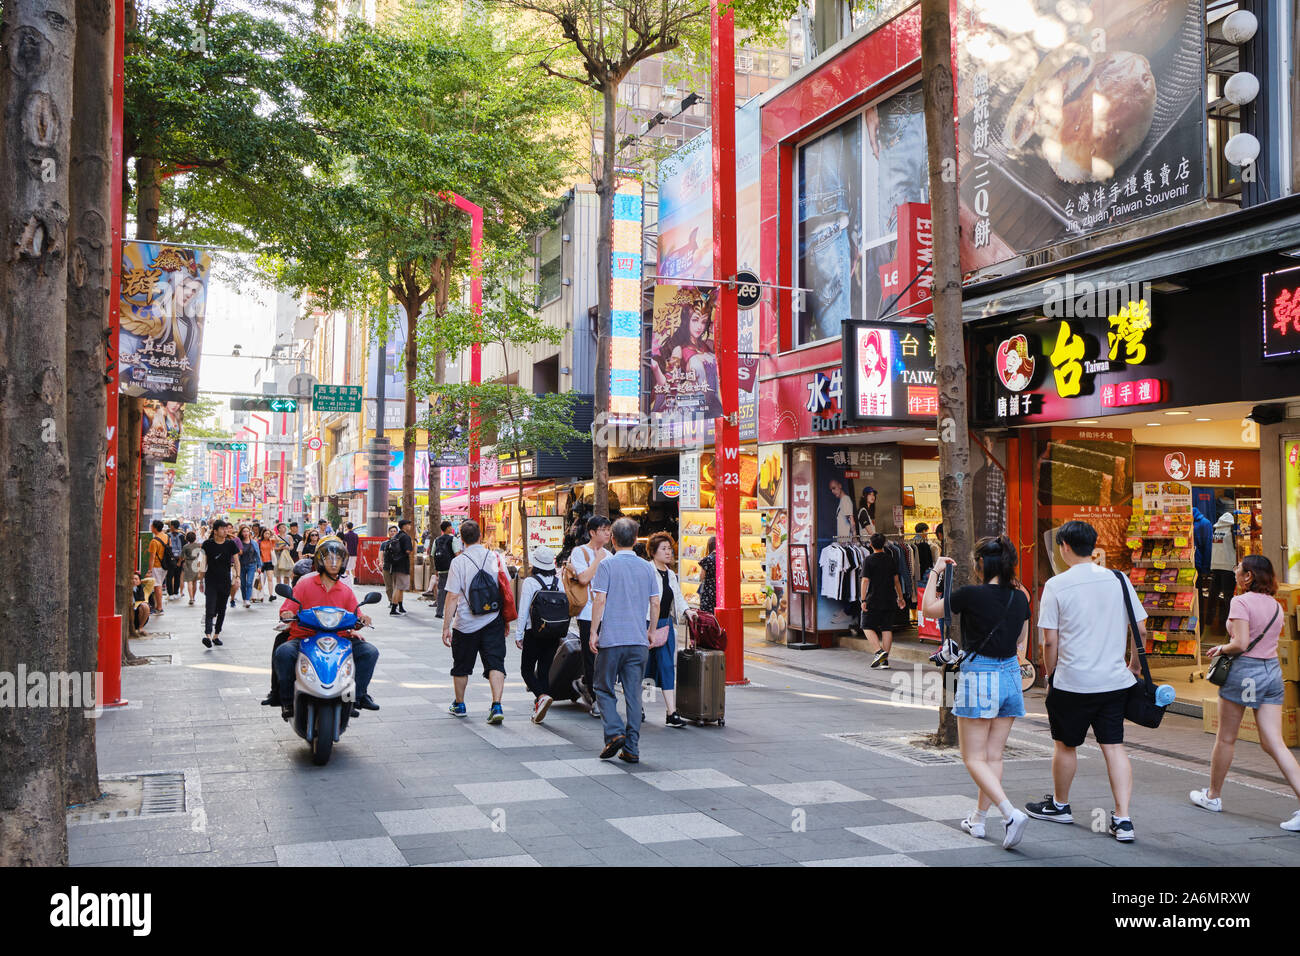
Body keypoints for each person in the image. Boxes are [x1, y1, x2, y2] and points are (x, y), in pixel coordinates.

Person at [1025, 521, 1145, 843]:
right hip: (1114, 681)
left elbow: (1050, 641)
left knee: (1066, 745)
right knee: (1114, 746)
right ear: (1093, 546)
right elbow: (1141, 630)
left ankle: (1061, 806)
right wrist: (1132, 665)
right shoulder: (1119, 579)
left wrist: (1050, 676)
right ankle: (1123, 819)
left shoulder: (1056, 585)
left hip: (1072, 682)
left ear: (1064, 546)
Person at [922, 538, 1032, 849]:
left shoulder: (971, 594)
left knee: (972, 757)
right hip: (1010, 674)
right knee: (993, 755)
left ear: (982, 564)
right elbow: (1020, 642)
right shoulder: (1020, 597)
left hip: (979, 675)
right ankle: (979, 820)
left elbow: (930, 609)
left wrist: (935, 572)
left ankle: (1010, 813)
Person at [1191, 556, 1300, 830]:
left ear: (1248, 576)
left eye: (1238, 569)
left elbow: (1240, 643)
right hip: (1271, 672)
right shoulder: (1275, 605)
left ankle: (1213, 796)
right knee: (1274, 742)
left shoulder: (1240, 602)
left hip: (1245, 672)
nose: (1234, 571)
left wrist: (1221, 648)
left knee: (1226, 738)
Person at [275, 536, 380, 718]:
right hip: (304, 638)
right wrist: (286, 615)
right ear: (320, 561)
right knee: (284, 652)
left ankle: (357, 696)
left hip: (340, 639)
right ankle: (286, 701)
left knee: (370, 652)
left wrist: (362, 620)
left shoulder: (345, 591)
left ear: (343, 562)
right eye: (328, 558)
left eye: (337, 559)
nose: (333, 563)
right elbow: (287, 608)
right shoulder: (304, 584)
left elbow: (356, 614)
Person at [590, 517, 661, 764]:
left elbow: (599, 600)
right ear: (635, 538)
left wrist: (593, 632)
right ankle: (631, 748)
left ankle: (614, 732)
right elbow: (655, 602)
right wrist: (651, 630)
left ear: (613, 538)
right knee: (633, 694)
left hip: (612, 639)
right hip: (638, 640)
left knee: (602, 687)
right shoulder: (647, 568)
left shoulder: (607, 566)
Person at [441, 519, 508, 723]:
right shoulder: (495, 557)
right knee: (495, 662)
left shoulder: (458, 562)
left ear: (461, 539)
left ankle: (460, 704)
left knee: (461, 665)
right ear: (481, 536)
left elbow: (452, 597)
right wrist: (506, 619)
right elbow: (505, 588)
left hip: (465, 623)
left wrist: (446, 627)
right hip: (493, 619)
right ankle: (496, 705)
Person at [515, 546, 570, 723]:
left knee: (527, 670)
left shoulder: (530, 582)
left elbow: (523, 610)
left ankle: (541, 697)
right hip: (554, 632)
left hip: (534, 632)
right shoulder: (558, 582)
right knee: (544, 670)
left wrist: (519, 634)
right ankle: (540, 705)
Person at [568, 516, 613, 717]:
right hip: (587, 612)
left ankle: (587, 683)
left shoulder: (611, 555)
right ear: (592, 532)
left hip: (607, 613)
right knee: (591, 656)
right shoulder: (579, 551)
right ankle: (595, 699)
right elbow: (584, 578)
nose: (607, 533)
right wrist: (596, 560)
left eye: (609, 530)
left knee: (605, 656)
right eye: (603, 529)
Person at [647, 533, 690, 729]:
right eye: (663, 548)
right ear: (653, 552)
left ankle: (671, 712)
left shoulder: (671, 574)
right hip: (646, 624)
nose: (668, 552)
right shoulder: (647, 570)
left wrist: (688, 611)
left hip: (665, 625)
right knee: (644, 668)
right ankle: (640, 707)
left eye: (669, 549)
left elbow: (678, 597)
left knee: (666, 666)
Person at [860, 533, 905, 669]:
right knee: (886, 628)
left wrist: (863, 599)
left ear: (871, 545)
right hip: (890, 597)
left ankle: (879, 652)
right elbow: (896, 580)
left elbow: (865, 581)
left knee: (866, 625)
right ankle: (884, 661)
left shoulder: (868, 560)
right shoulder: (890, 559)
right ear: (884, 544)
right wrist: (900, 597)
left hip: (873, 598)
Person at [200, 519, 240, 648]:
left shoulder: (230, 544)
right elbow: (203, 562)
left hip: (225, 581)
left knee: (222, 608)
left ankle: (216, 635)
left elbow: (237, 561)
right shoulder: (207, 544)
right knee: (210, 607)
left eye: (226, 528)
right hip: (210, 580)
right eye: (222, 529)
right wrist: (201, 580)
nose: (225, 531)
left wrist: (238, 576)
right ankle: (207, 635)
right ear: (215, 531)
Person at [390, 519, 414, 615]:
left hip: (395, 564)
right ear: (404, 526)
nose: (410, 526)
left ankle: (400, 607)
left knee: (399, 586)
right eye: (408, 525)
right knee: (399, 587)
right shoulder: (406, 537)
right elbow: (408, 550)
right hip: (402, 564)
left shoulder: (396, 536)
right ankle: (394, 608)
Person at [432, 520, 455, 617]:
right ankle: (453, 612)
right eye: (450, 526)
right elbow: (457, 554)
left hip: (441, 569)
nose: (452, 528)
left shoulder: (437, 540)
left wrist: (436, 569)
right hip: (452, 569)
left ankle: (439, 612)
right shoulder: (453, 539)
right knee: (453, 590)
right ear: (448, 528)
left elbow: (433, 555)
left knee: (441, 590)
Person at [147, 520, 170, 616]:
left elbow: (152, 558)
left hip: (157, 566)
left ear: (155, 528)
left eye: (152, 526)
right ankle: (158, 606)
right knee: (159, 585)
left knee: (157, 586)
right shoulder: (167, 537)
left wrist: (149, 570)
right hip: (165, 565)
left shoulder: (154, 541)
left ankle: (159, 608)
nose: (150, 528)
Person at [235, 525, 259, 607]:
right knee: (243, 584)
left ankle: (248, 599)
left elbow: (257, 555)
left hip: (251, 565)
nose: (245, 533)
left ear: (249, 533)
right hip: (241, 565)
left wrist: (259, 566)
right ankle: (244, 599)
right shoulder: (239, 543)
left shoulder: (254, 543)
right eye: (244, 531)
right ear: (241, 533)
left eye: (247, 531)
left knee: (249, 582)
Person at [180, 531, 203, 605]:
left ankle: (191, 598)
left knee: (189, 582)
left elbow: (182, 556)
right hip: (195, 564)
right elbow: (199, 554)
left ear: (187, 538)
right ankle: (193, 597)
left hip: (187, 564)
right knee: (194, 582)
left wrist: (178, 562)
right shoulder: (198, 546)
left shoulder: (185, 547)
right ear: (195, 538)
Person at [274, 523, 295, 596]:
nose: (285, 528)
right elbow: (273, 548)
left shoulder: (289, 537)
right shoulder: (276, 537)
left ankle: (286, 590)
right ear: (279, 529)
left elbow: (292, 546)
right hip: (278, 558)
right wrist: (280, 548)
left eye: (285, 527)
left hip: (286, 557)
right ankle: (279, 590)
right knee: (278, 574)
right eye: (282, 527)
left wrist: (288, 548)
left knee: (287, 574)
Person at [697, 535, 717, 615]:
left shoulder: (707, 559)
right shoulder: (721, 558)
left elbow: (701, 576)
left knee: (707, 612)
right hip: (718, 588)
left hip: (708, 587)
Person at [167, 519, 185, 600]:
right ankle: (175, 593)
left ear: (172, 526)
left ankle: (171, 594)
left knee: (170, 577)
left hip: (171, 559)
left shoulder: (167, 536)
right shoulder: (182, 536)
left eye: (170, 525)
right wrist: (181, 561)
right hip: (179, 559)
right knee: (177, 576)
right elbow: (184, 550)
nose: (170, 526)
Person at [380, 524, 397, 607]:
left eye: (394, 531)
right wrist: (380, 562)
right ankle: (391, 601)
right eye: (391, 531)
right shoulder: (384, 543)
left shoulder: (400, 542)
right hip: (386, 566)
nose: (392, 533)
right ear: (388, 533)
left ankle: (396, 601)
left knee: (396, 585)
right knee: (388, 586)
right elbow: (381, 553)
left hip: (397, 567)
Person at [258, 528, 276, 602]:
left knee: (270, 578)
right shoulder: (259, 541)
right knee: (260, 579)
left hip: (269, 561)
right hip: (261, 561)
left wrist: (272, 532)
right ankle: (259, 595)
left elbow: (277, 538)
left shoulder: (271, 541)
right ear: (263, 534)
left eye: (268, 534)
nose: (267, 535)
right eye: (266, 533)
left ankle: (271, 595)